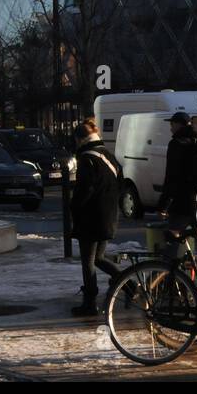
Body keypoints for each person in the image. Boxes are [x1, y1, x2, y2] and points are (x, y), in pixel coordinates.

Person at [68, 118, 122, 317]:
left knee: (88, 262)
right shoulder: (108, 155)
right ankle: (128, 283)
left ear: (80, 139)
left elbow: (85, 190)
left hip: (91, 217)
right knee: (99, 258)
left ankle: (90, 303)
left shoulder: (86, 159)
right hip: (109, 215)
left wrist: (74, 207)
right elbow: (120, 182)